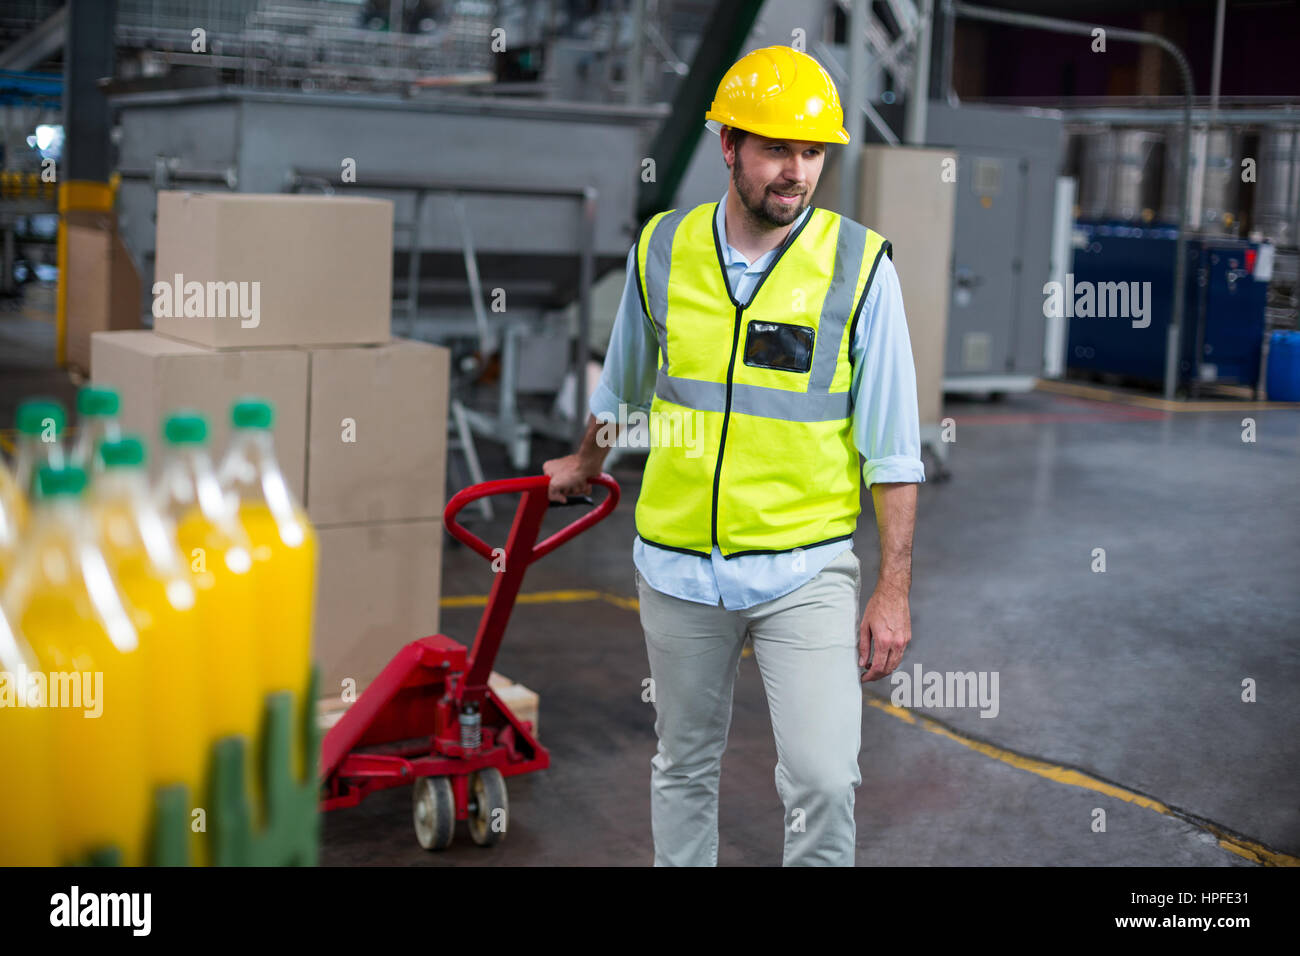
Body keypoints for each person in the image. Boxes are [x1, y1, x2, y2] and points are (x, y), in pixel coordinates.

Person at [543, 45, 925, 866]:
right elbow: (624, 391)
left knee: (822, 780)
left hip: (804, 568)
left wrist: (891, 590)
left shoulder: (859, 270)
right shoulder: (663, 249)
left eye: (812, 152)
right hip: (678, 566)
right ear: (729, 147)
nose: (796, 172)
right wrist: (587, 465)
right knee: (683, 767)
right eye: (776, 150)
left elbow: (893, 450)